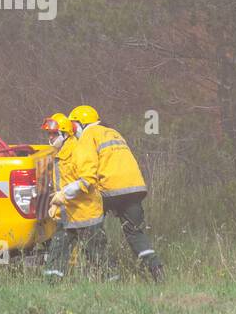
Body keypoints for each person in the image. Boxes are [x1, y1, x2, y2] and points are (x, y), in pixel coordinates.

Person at [64, 105, 164, 281]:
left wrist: (75, 188)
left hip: (109, 189)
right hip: (135, 188)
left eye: (72, 126)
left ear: (81, 123)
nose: (73, 132)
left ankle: (108, 274)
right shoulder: (113, 132)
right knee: (135, 233)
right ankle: (156, 270)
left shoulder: (89, 135)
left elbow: (88, 169)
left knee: (89, 228)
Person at [40, 112, 105, 280]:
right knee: (57, 251)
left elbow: (87, 181)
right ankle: (52, 285)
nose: (51, 138)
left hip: (87, 215)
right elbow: (62, 183)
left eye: (54, 134)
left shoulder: (79, 150)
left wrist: (63, 195)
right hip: (69, 216)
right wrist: (57, 205)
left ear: (65, 134)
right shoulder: (58, 154)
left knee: (97, 257)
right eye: (49, 134)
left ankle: (111, 285)